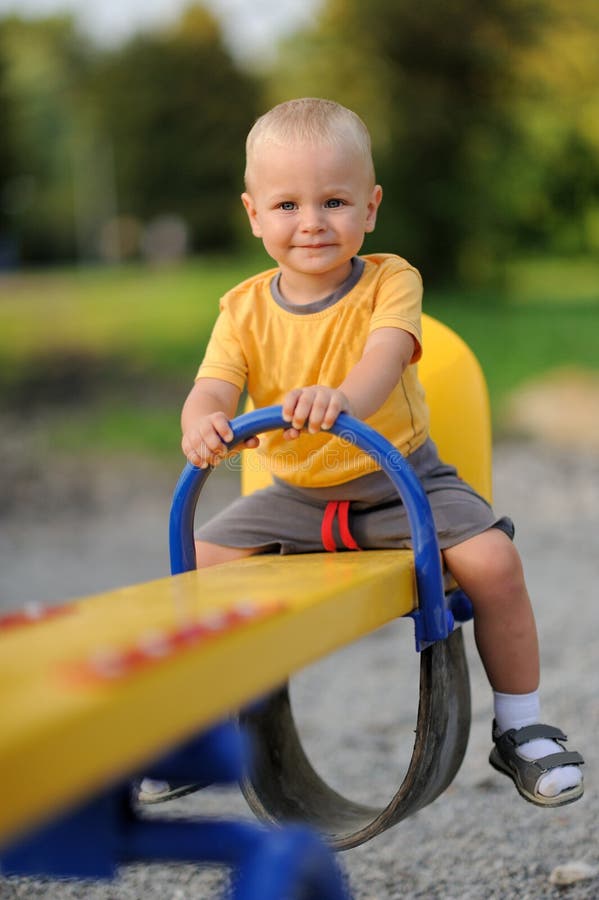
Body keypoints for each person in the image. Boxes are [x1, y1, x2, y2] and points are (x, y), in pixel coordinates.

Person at [143, 98, 583, 806]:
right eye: (286, 204)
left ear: (370, 208)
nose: (311, 221)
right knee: (187, 569)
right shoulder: (241, 310)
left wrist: (341, 397)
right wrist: (203, 423)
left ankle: (521, 729)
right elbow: (212, 387)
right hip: (291, 501)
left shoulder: (389, 280)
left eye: (334, 200)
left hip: (399, 481)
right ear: (253, 215)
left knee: (494, 561)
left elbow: (384, 358)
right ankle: (200, 728)